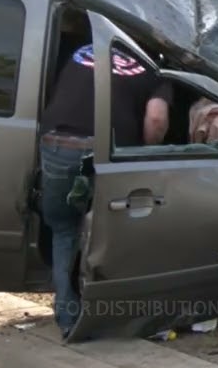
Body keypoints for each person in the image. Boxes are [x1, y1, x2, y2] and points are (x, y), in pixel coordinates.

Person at [37, 41, 172, 337]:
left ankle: (67, 318)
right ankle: (110, 314)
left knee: (64, 230)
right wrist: (147, 153)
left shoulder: (82, 49)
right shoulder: (154, 69)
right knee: (113, 231)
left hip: (60, 143)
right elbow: (157, 119)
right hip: (108, 153)